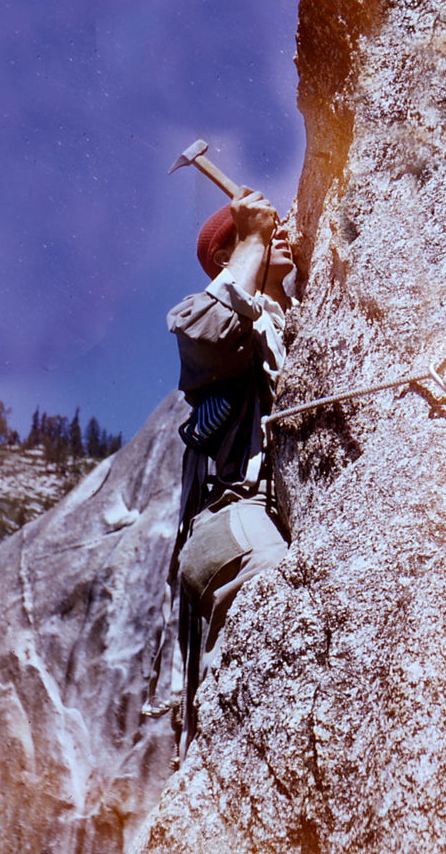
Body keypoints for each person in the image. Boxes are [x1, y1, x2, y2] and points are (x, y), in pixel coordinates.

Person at [165, 187, 296, 752]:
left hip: (273, 513)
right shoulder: (225, 323)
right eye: (273, 229)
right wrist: (249, 243)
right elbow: (206, 334)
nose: (283, 232)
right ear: (229, 256)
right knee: (281, 615)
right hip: (233, 516)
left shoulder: (292, 320)